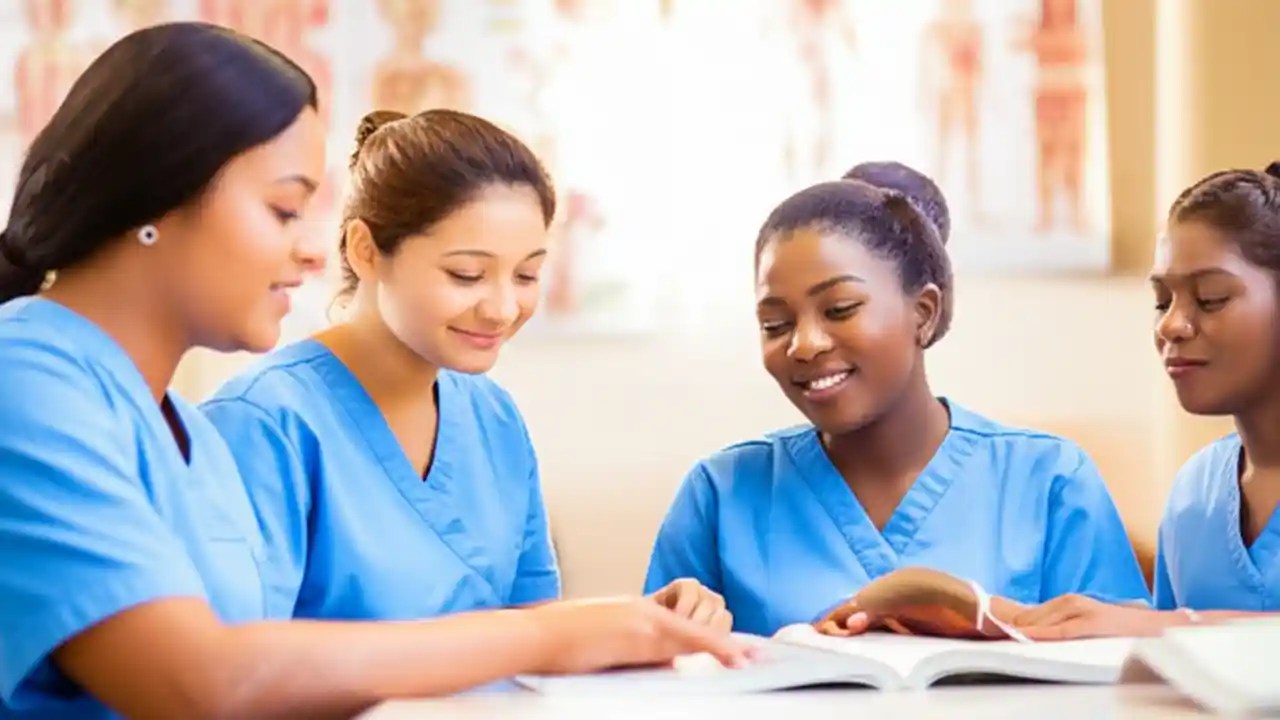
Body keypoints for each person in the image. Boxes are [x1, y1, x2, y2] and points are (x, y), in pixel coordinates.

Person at [0, 23, 747, 720]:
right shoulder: (28, 380)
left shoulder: (179, 432)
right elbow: (199, 678)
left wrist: (624, 629)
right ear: (155, 198)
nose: (311, 252)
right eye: (285, 210)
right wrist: (555, 636)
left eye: (527, 274)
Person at [201, 107, 728, 629]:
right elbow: (238, 667)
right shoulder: (263, 424)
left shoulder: (492, 416)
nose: (501, 308)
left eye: (526, 275)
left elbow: (527, 623)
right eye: (467, 274)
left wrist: (638, 620)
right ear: (366, 251)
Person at [643, 164, 1150, 637]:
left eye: (839, 309)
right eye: (775, 324)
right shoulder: (721, 494)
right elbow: (654, 686)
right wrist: (673, 626)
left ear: (924, 313)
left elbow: (1124, 675)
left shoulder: (1050, 480)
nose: (804, 343)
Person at [1014, 164, 1280, 640]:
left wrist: (1168, 626)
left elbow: (1167, 633)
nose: (1171, 325)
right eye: (1163, 301)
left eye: (1211, 298)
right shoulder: (1194, 496)